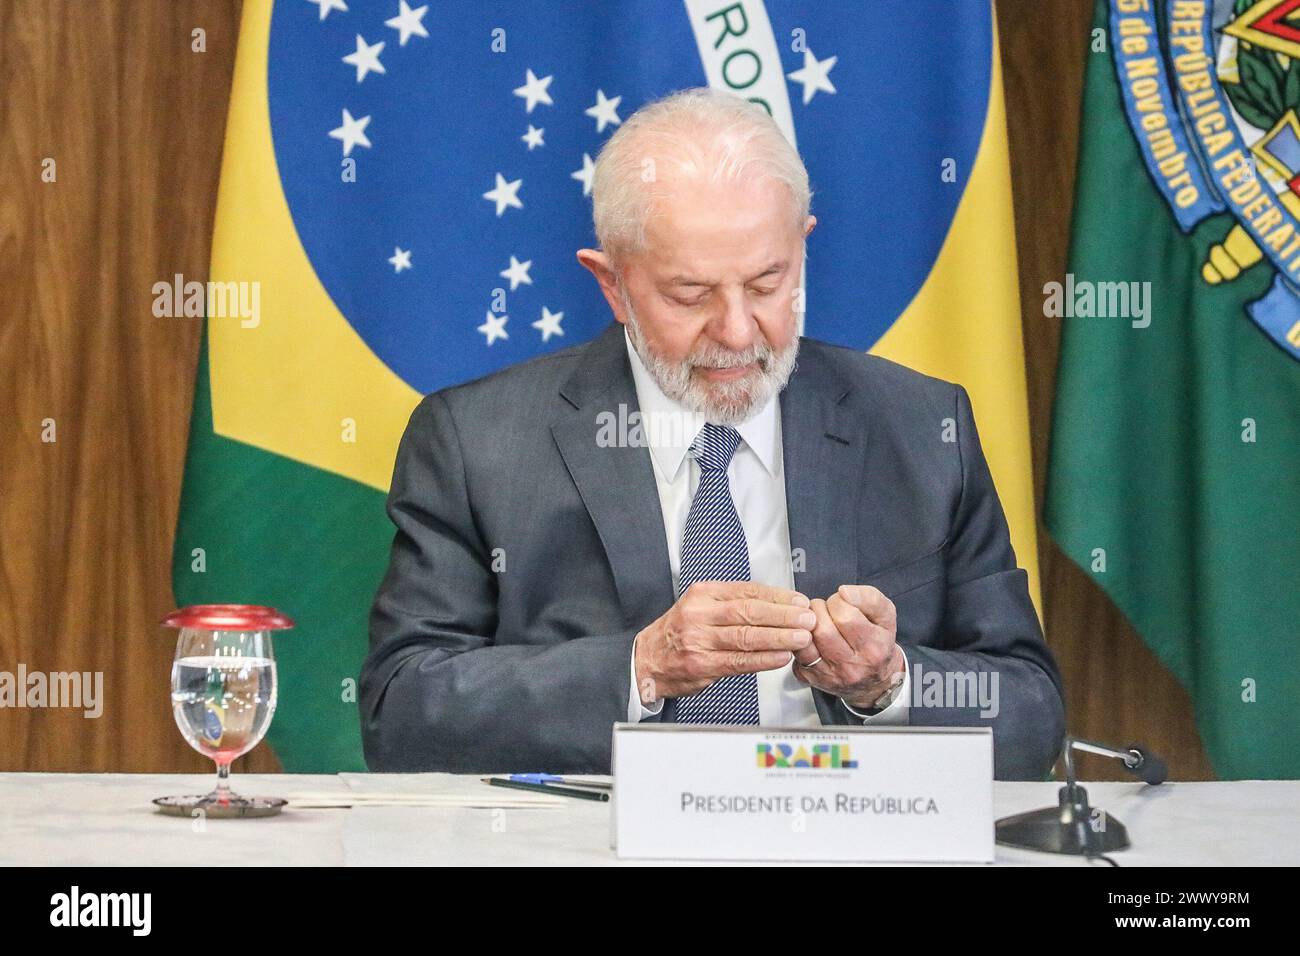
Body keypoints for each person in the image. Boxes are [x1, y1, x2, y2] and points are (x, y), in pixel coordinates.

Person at [360, 87, 1065, 779]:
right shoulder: (476, 442)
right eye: (689, 295)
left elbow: (1032, 715)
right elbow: (402, 712)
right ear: (611, 284)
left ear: (803, 250)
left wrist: (890, 683)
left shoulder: (923, 429)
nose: (736, 331)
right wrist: (640, 667)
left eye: (767, 284)